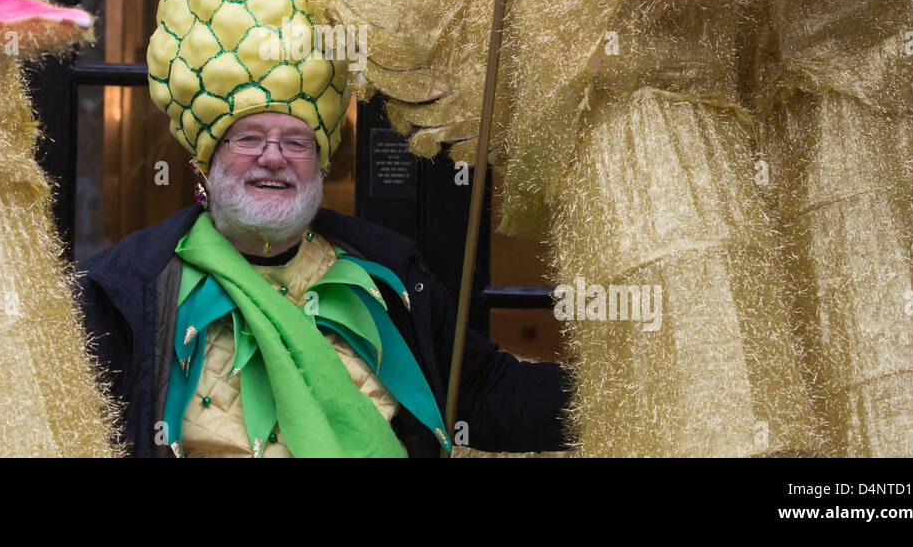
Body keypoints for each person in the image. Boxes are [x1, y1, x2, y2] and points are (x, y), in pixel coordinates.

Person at [75, 107, 574, 457]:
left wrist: (626, 391)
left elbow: (482, 392)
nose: (272, 158)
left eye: (297, 142)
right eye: (248, 139)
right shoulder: (127, 288)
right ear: (205, 164)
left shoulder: (389, 273)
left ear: (322, 166)